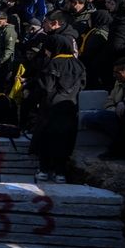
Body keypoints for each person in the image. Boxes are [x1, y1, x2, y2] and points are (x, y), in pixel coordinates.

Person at [28, 37, 86, 182]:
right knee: (64, 140)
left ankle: (44, 170)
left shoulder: (52, 64)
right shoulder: (79, 64)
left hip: (51, 108)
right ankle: (60, 173)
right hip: (70, 107)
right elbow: (83, 85)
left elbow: (46, 87)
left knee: (47, 138)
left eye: (47, 49)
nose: (46, 52)